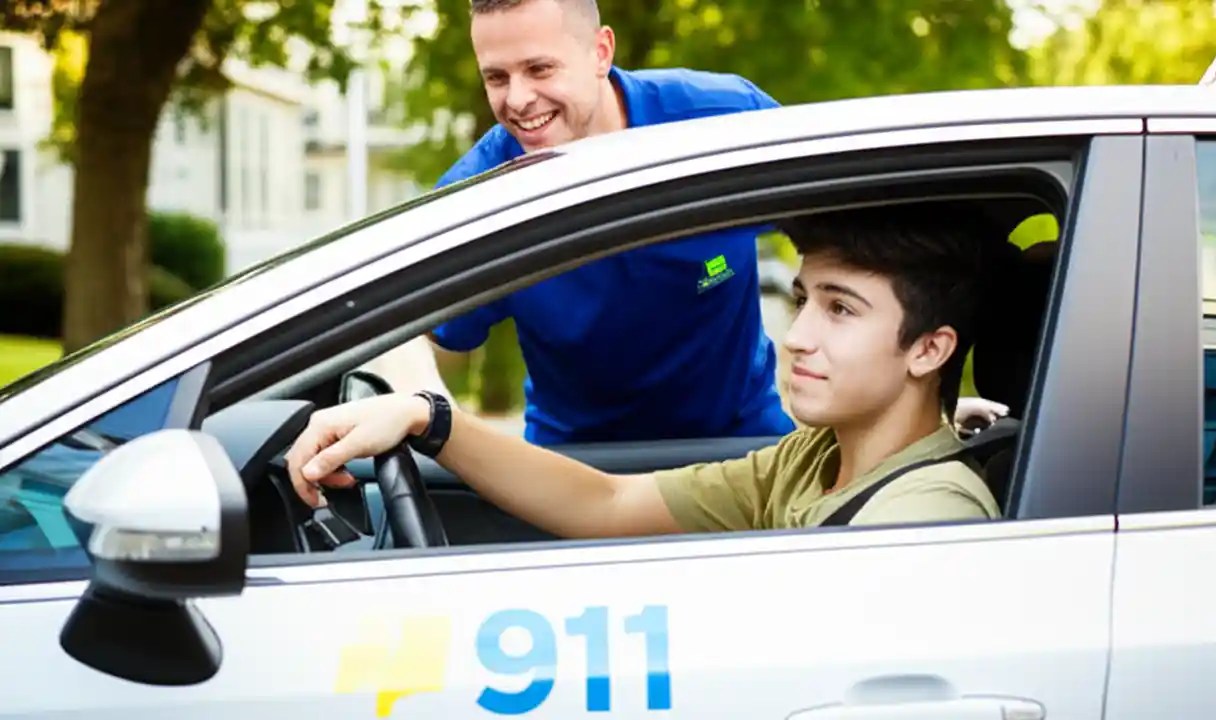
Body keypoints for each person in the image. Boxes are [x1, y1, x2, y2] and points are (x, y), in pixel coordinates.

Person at [286, 204, 1003, 534]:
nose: (797, 338)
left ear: (929, 349)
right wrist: (428, 417)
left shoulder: (925, 517)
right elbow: (607, 504)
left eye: (841, 311)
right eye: (802, 301)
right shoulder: (810, 459)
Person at [370, 0, 797, 446]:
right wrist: (432, 418)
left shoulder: (722, 119)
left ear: (601, 52)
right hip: (577, 472)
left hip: (743, 449)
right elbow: (415, 331)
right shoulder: (480, 193)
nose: (517, 100)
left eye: (539, 69)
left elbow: (840, 232)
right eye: (496, 77)